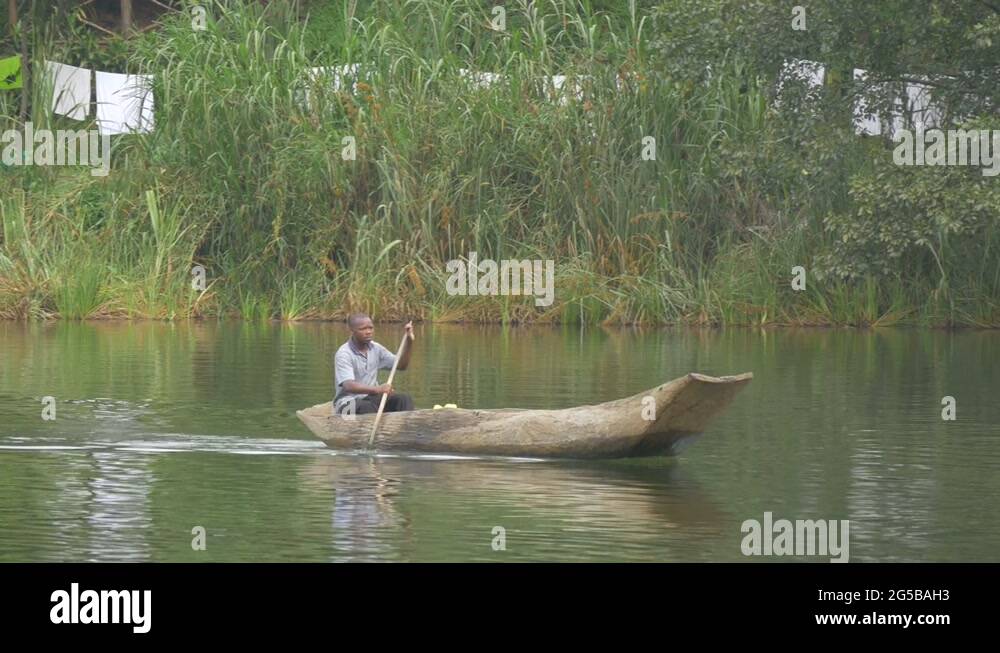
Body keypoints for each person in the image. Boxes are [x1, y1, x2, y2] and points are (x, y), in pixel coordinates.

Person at [333, 313, 415, 415]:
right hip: (347, 403)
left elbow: (401, 366)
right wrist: (378, 389)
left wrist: (409, 341)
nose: (368, 332)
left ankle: (404, 427)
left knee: (404, 399)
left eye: (371, 328)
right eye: (363, 329)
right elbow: (349, 386)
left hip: (370, 399)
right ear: (351, 331)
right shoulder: (344, 353)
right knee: (367, 408)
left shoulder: (376, 349)